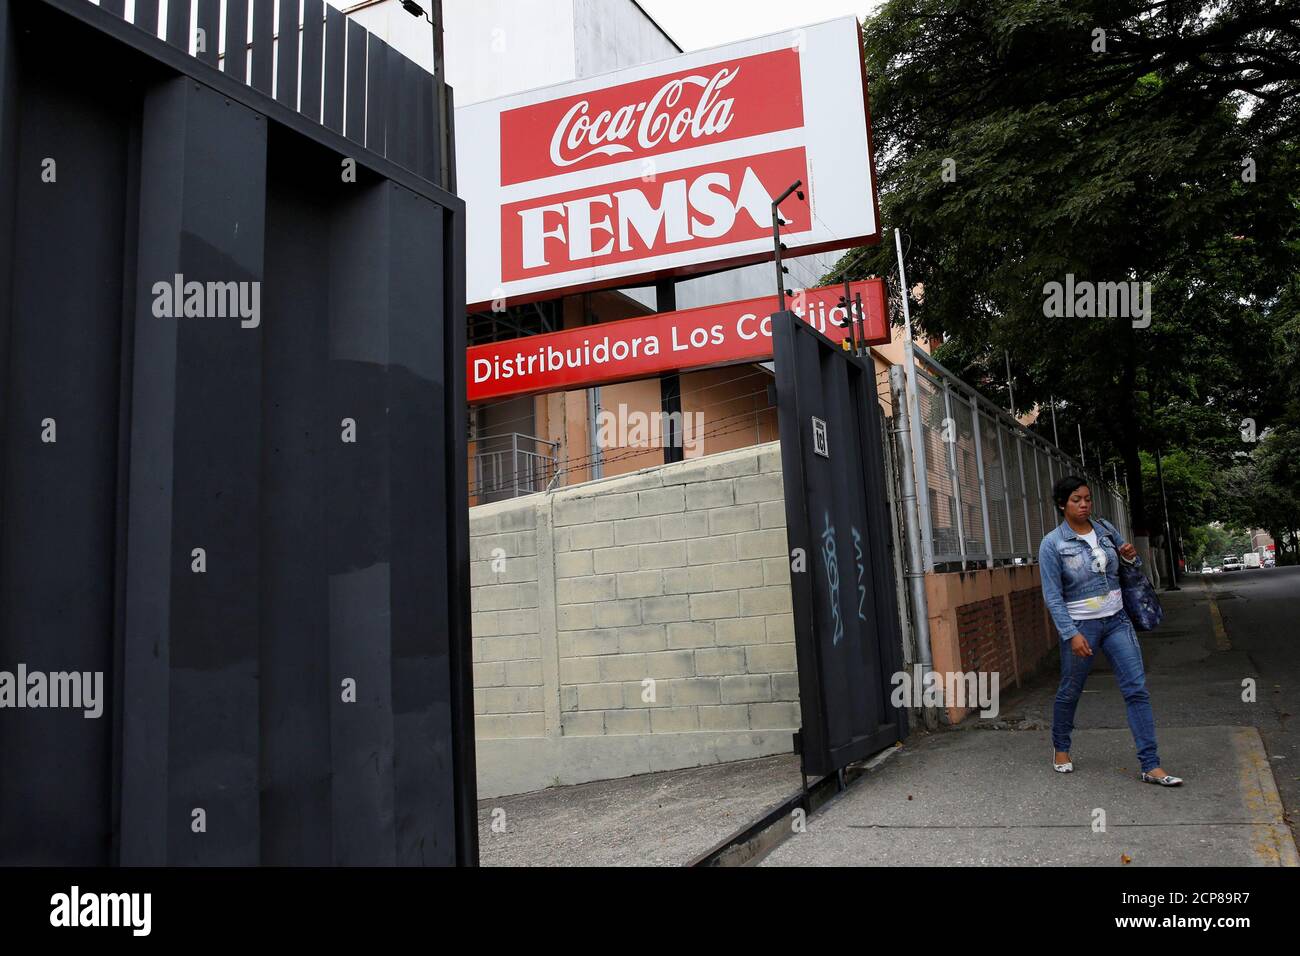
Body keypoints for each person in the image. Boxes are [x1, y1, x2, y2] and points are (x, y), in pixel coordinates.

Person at [1038, 475, 1183, 786]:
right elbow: (1052, 595)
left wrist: (1130, 557)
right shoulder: (1052, 544)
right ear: (1063, 504)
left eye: (1088, 499)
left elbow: (1132, 567)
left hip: (1118, 620)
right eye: (1077, 500)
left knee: (1136, 689)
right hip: (1081, 626)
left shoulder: (1105, 530)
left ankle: (1151, 764)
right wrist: (1070, 633)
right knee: (1070, 690)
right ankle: (1061, 747)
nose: (1084, 504)